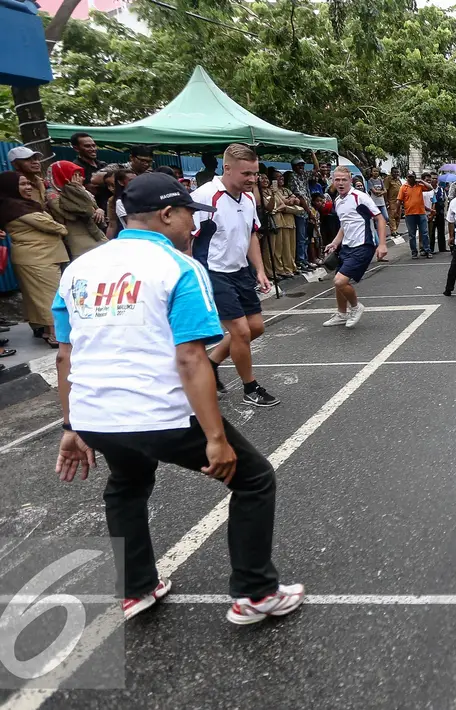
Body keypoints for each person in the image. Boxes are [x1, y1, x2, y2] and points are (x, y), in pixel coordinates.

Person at [50, 171, 304, 625]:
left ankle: (136, 588)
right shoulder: (180, 268)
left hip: (96, 415)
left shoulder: (78, 269)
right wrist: (215, 437)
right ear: (167, 214)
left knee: (126, 485)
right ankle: (255, 593)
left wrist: (72, 427)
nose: (195, 227)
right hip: (159, 412)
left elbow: (65, 357)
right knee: (254, 478)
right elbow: (190, 359)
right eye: (190, 216)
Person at [190, 144, 279, 406]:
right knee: (240, 331)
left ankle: (212, 361)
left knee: (256, 328)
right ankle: (250, 388)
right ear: (227, 168)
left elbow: (251, 233)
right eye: (246, 174)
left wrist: (260, 270)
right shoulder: (205, 197)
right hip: (213, 271)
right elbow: (187, 238)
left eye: (254, 173)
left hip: (240, 271)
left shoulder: (249, 198)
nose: (252, 179)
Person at [0, 171, 69, 347]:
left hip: (40, 256)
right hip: (37, 257)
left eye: (28, 183)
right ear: (10, 187)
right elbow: (56, 227)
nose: (27, 187)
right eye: (22, 184)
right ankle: (56, 336)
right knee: (50, 297)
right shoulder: (16, 208)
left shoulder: (21, 205)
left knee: (41, 296)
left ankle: (47, 331)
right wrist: (61, 227)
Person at [320, 165, 387, 328]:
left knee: (340, 281)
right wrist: (335, 243)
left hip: (363, 245)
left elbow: (380, 219)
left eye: (344, 179)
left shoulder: (360, 197)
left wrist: (383, 244)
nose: (341, 183)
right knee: (338, 282)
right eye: (337, 180)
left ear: (350, 180)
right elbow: (345, 225)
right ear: (333, 181)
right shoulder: (338, 200)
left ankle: (356, 307)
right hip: (347, 247)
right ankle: (342, 314)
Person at [46, 161, 108, 259]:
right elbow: (78, 213)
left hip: (96, 235)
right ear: (63, 176)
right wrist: (75, 189)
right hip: (79, 243)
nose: (81, 178)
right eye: (75, 175)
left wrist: (100, 210)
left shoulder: (82, 190)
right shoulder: (53, 195)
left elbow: (94, 207)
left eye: (80, 175)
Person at [397, 172, 432, 259]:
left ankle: (427, 250)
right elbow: (399, 201)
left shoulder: (419, 185)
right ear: (406, 177)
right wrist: (396, 211)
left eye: (412, 177)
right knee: (412, 234)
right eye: (409, 177)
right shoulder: (403, 187)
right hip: (409, 214)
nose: (411, 179)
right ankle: (414, 252)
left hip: (421, 212)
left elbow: (430, 188)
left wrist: (421, 181)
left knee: (424, 232)